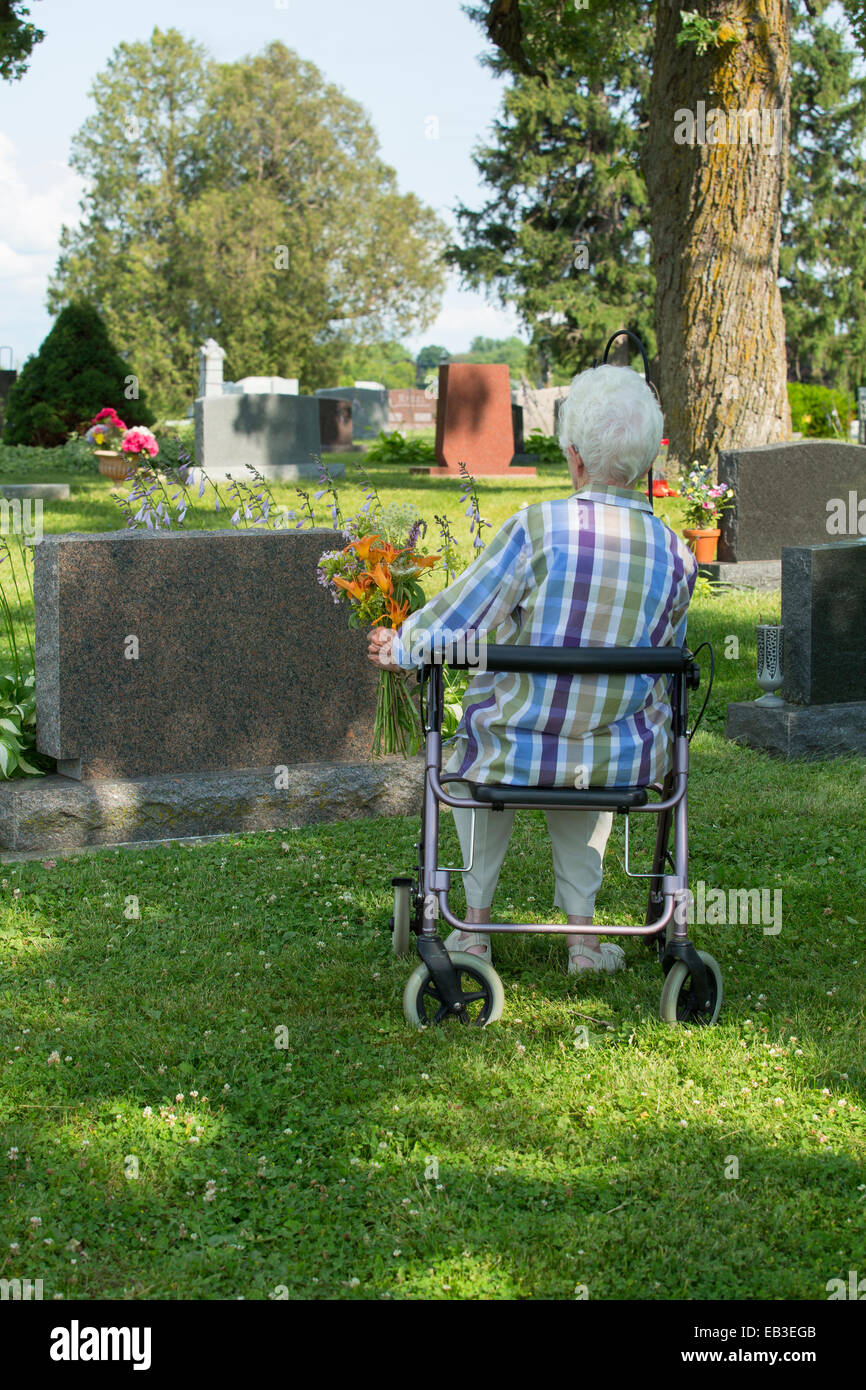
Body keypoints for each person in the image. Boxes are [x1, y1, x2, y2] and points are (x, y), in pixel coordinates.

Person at [367, 365, 697, 975]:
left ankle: (472, 931)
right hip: (612, 757)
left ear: (573, 457)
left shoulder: (537, 529)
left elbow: (465, 613)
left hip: (510, 747)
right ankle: (582, 939)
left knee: (475, 759)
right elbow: (668, 655)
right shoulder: (677, 554)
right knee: (588, 756)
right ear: (648, 461)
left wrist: (407, 644)